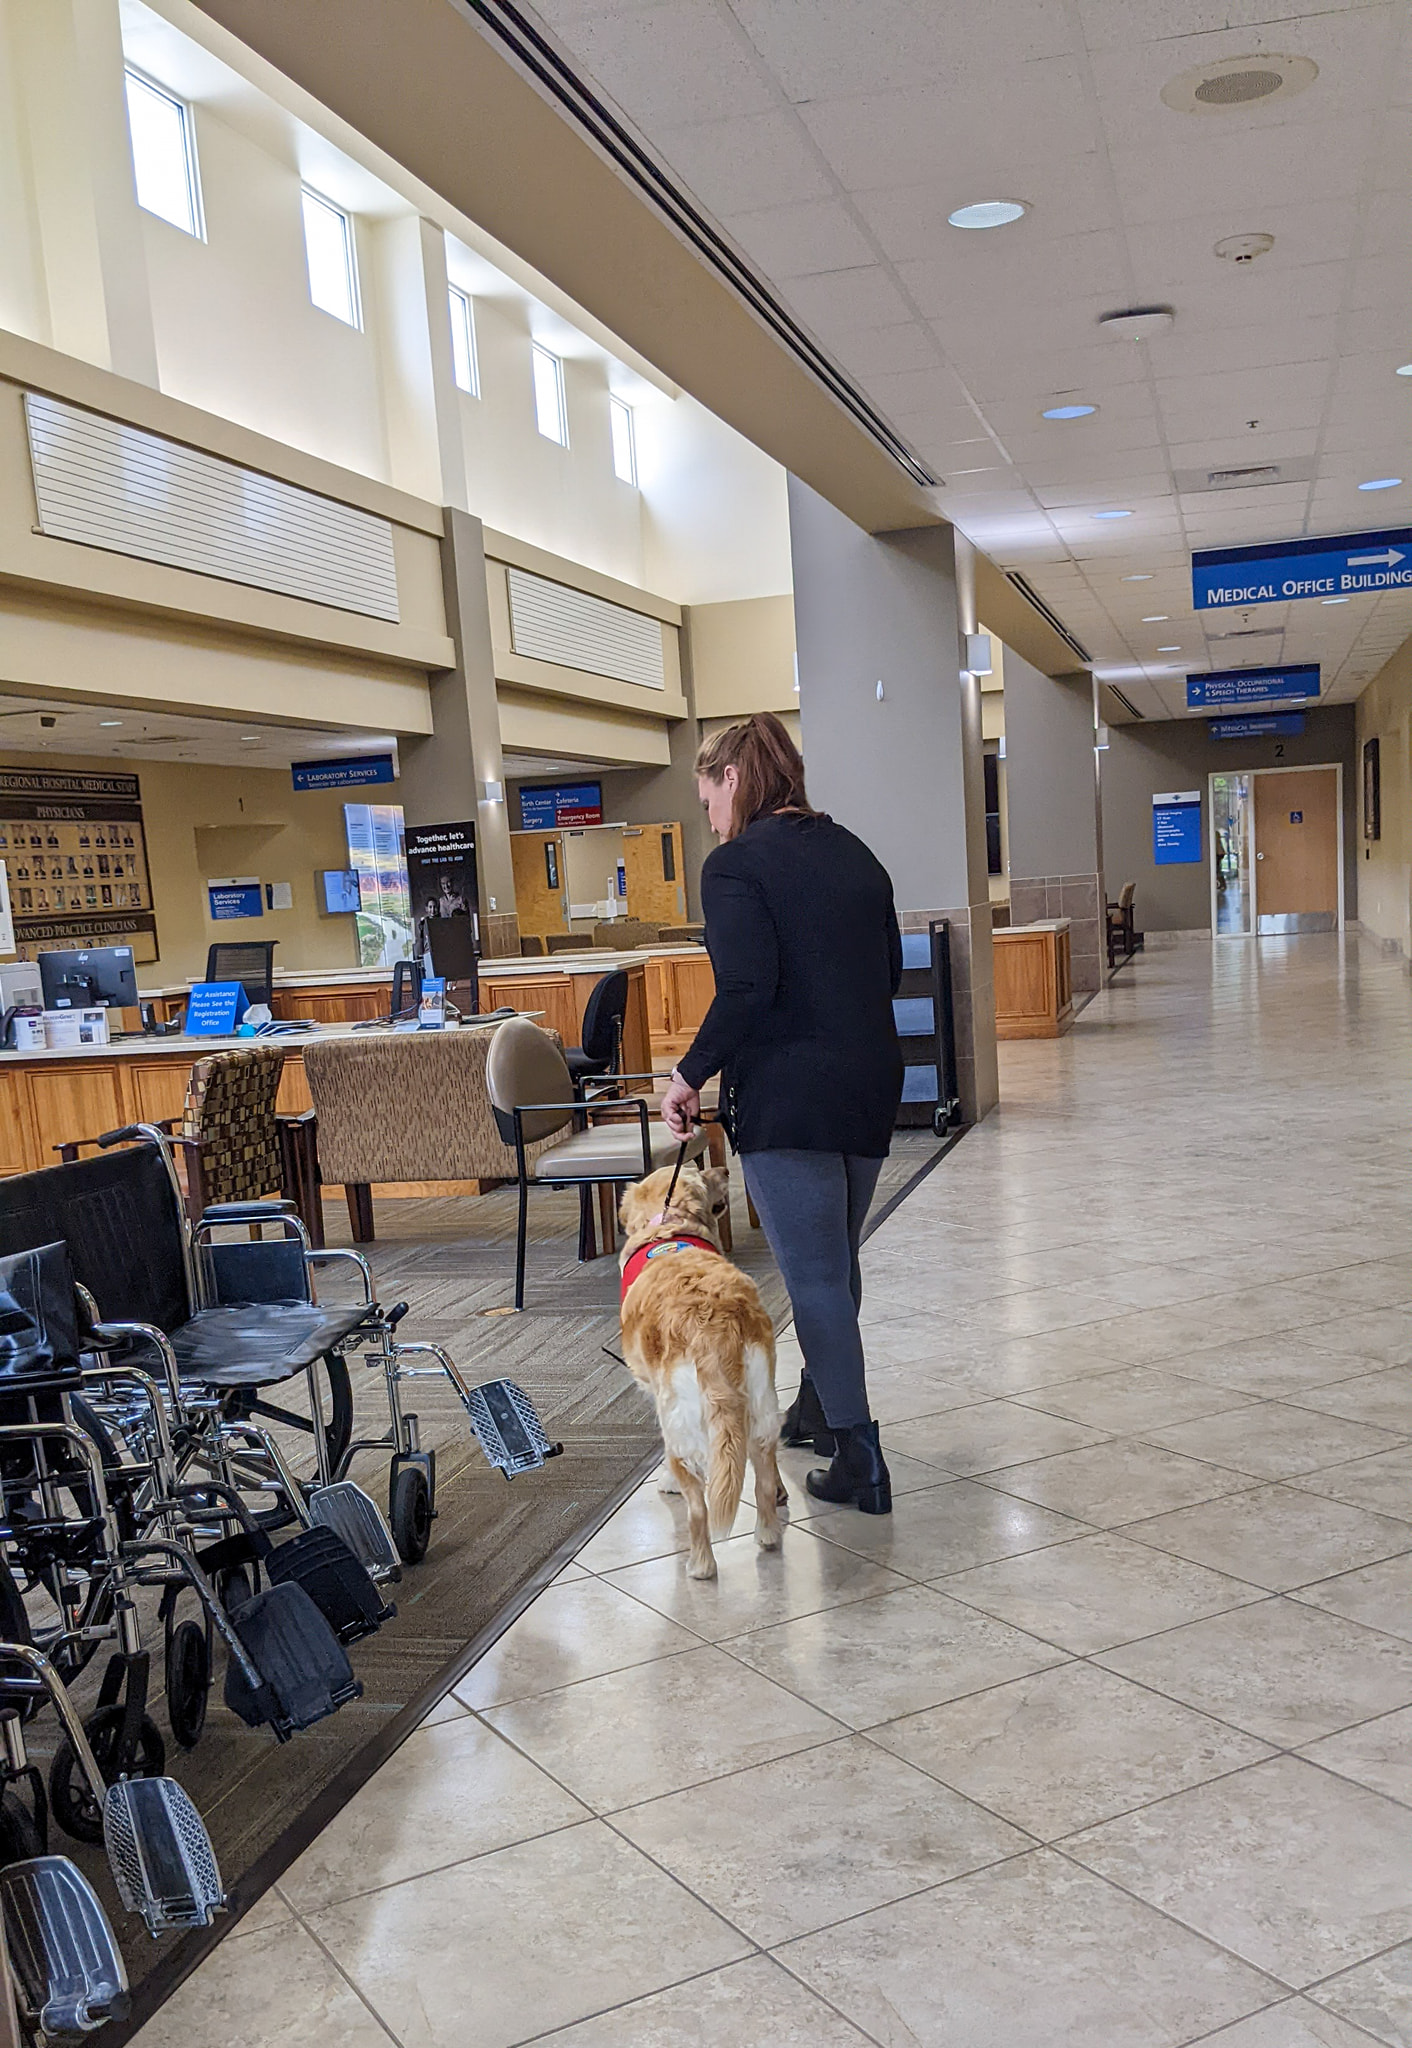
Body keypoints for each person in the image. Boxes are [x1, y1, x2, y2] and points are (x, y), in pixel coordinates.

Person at [661, 713, 903, 1514]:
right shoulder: (855, 852)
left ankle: (860, 1458)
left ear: (732, 778)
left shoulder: (735, 866)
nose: (711, 819)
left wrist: (689, 1075)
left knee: (816, 1275)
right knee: (833, 1261)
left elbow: (745, 990)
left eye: (708, 800)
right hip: (870, 1083)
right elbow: (889, 971)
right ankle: (818, 1411)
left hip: (790, 1096)